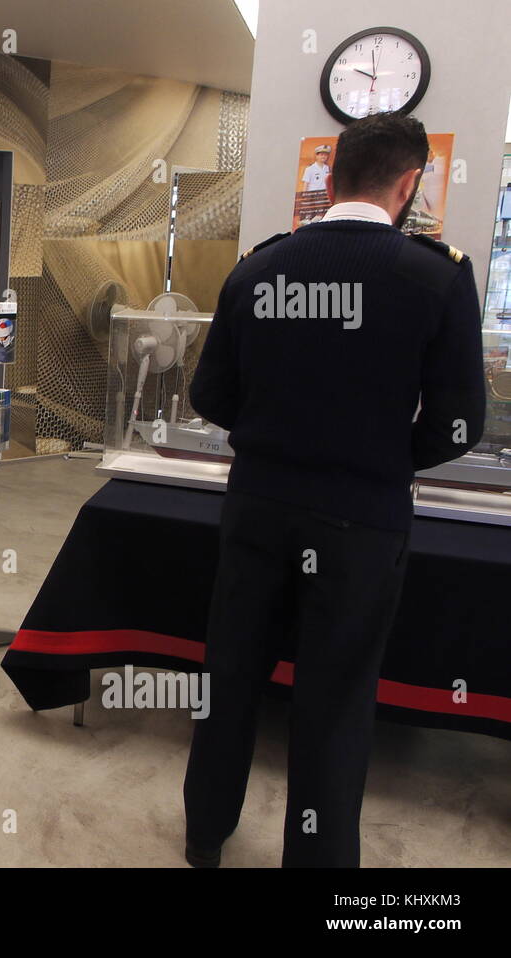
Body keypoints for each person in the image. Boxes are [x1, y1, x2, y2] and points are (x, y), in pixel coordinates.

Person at [183, 111, 486, 868]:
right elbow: (460, 428)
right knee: (335, 700)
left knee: (230, 677)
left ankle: (204, 837)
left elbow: (210, 396)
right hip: (361, 521)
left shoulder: (258, 267)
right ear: (410, 182)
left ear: (329, 173)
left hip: (256, 506)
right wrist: (385, 457)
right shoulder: (436, 276)